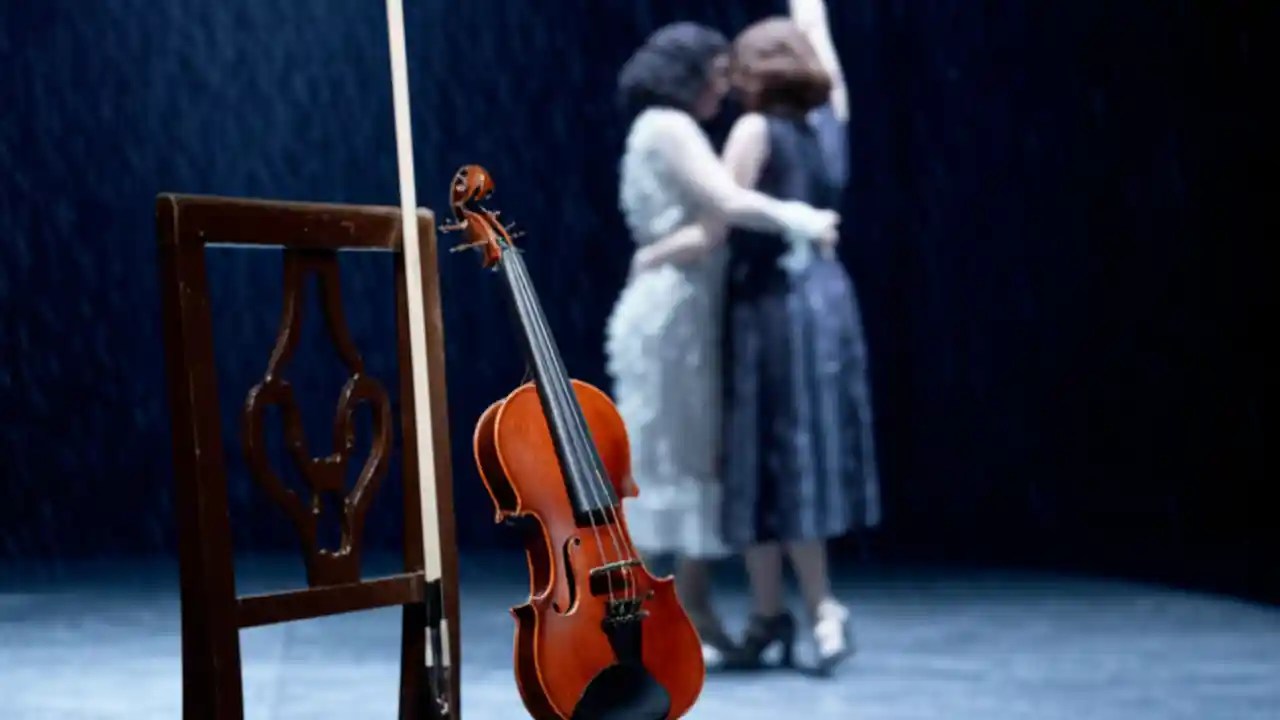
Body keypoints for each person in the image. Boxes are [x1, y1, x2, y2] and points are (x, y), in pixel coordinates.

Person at [605, 21, 841, 670]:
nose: (726, 86)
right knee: (666, 463)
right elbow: (725, 203)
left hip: (689, 309)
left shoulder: (667, 130)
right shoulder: (669, 128)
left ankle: (690, 607)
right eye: (717, 73)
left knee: (692, 464)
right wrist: (802, 219)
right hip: (672, 314)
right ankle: (642, 619)